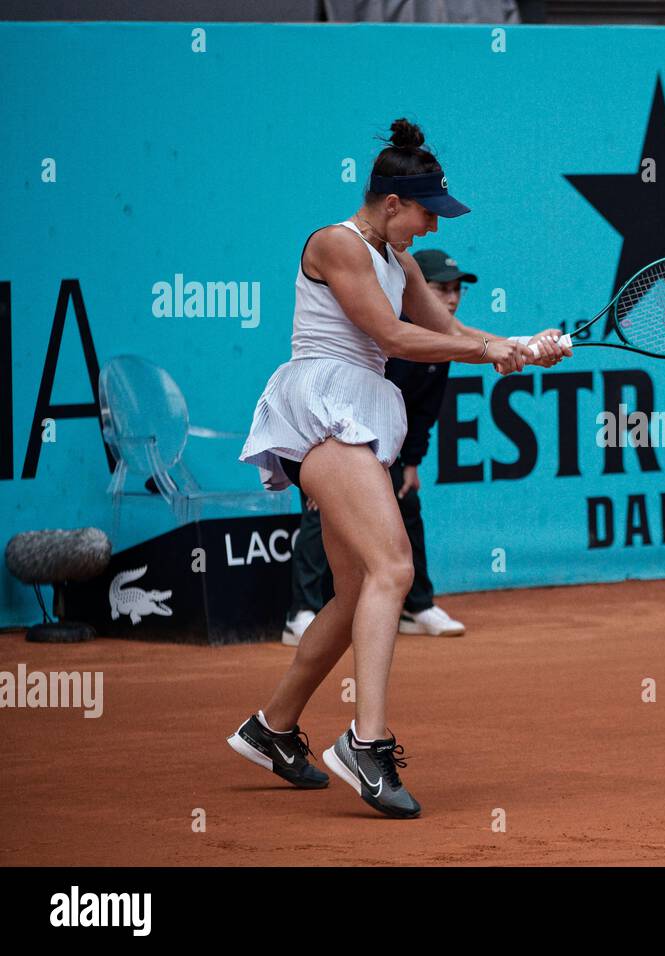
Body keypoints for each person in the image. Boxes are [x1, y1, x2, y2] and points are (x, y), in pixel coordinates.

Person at [227, 118, 570, 818]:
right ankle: (367, 743)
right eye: (424, 213)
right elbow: (390, 336)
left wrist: (521, 345)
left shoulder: (401, 260)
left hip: (358, 412)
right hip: (323, 408)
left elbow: (445, 333)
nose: (428, 227)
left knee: (357, 594)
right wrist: (488, 352)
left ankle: (273, 728)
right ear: (390, 202)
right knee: (395, 570)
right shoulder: (335, 243)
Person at [282, 248, 481, 645]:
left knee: (408, 506)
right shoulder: (390, 331)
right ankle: (300, 613)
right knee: (322, 515)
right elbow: (351, 394)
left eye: (457, 289)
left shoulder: (439, 338)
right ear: (416, 288)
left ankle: (418, 606)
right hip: (344, 435)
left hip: (390, 444)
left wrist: (411, 464)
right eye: (442, 288)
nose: (453, 298)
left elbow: (424, 409)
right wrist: (328, 457)